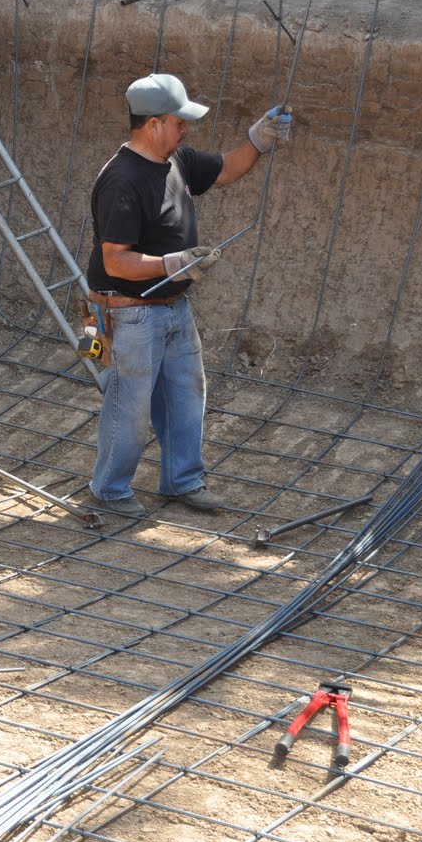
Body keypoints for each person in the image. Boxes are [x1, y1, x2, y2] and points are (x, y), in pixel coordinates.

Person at [85, 73, 291, 518]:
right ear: (154, 123)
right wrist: (175, 264)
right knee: (131, 407)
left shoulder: (175, 158)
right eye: (180, 123)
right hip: (127, 314)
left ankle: (182, 481)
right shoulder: (122, 181)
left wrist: (260, 138)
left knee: (185, 396)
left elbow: (227, 168)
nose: (186, 130)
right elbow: (116, 261)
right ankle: (110, 490)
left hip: (172, 307)